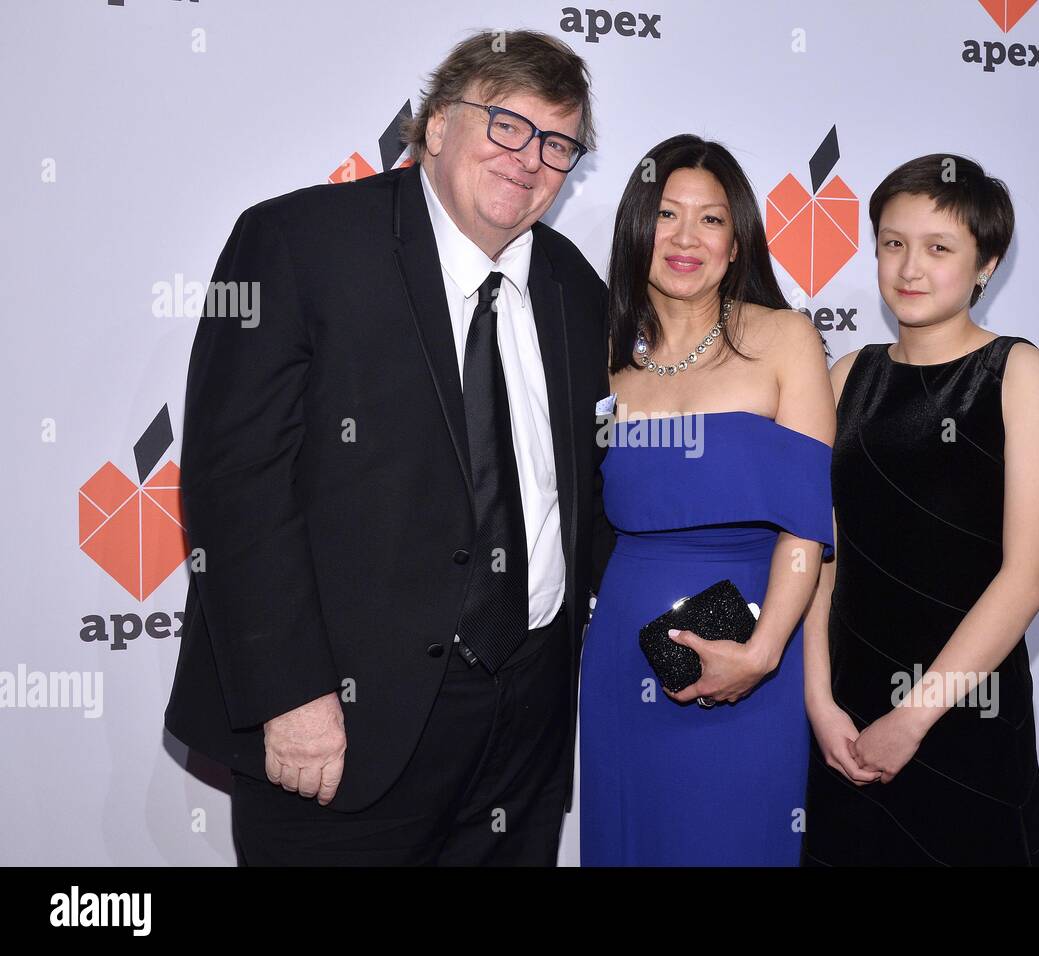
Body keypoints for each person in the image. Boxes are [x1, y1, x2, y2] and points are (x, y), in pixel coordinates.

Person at [164, 30, 615, 865]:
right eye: (507, 125)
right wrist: (290, 696)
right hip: (341, 722)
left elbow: (583, 487)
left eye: (558, 142)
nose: (531, 159)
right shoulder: (298, 243)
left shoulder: (572, 287)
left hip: (526, 722)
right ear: (436, 123)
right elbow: (236, 488)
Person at [802, 154, 1039, 866]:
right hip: (847, 714)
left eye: (939, 248)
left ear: (987, 263)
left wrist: (913, 718)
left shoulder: (1015, 373)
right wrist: (820, 701)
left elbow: (1028, 577)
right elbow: (820, 558)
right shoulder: (849, 374)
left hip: (965, 709)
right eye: (893, 243)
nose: (909, 267)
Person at [579, 134, 835, 866]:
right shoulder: (604, 368)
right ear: (637, 232)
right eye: (666, 214)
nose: (687, 237)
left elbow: (807, 525)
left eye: (711, 219)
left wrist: (760, 653)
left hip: (757, 658)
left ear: (736, 242)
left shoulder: (784, 341)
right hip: (625, 665)